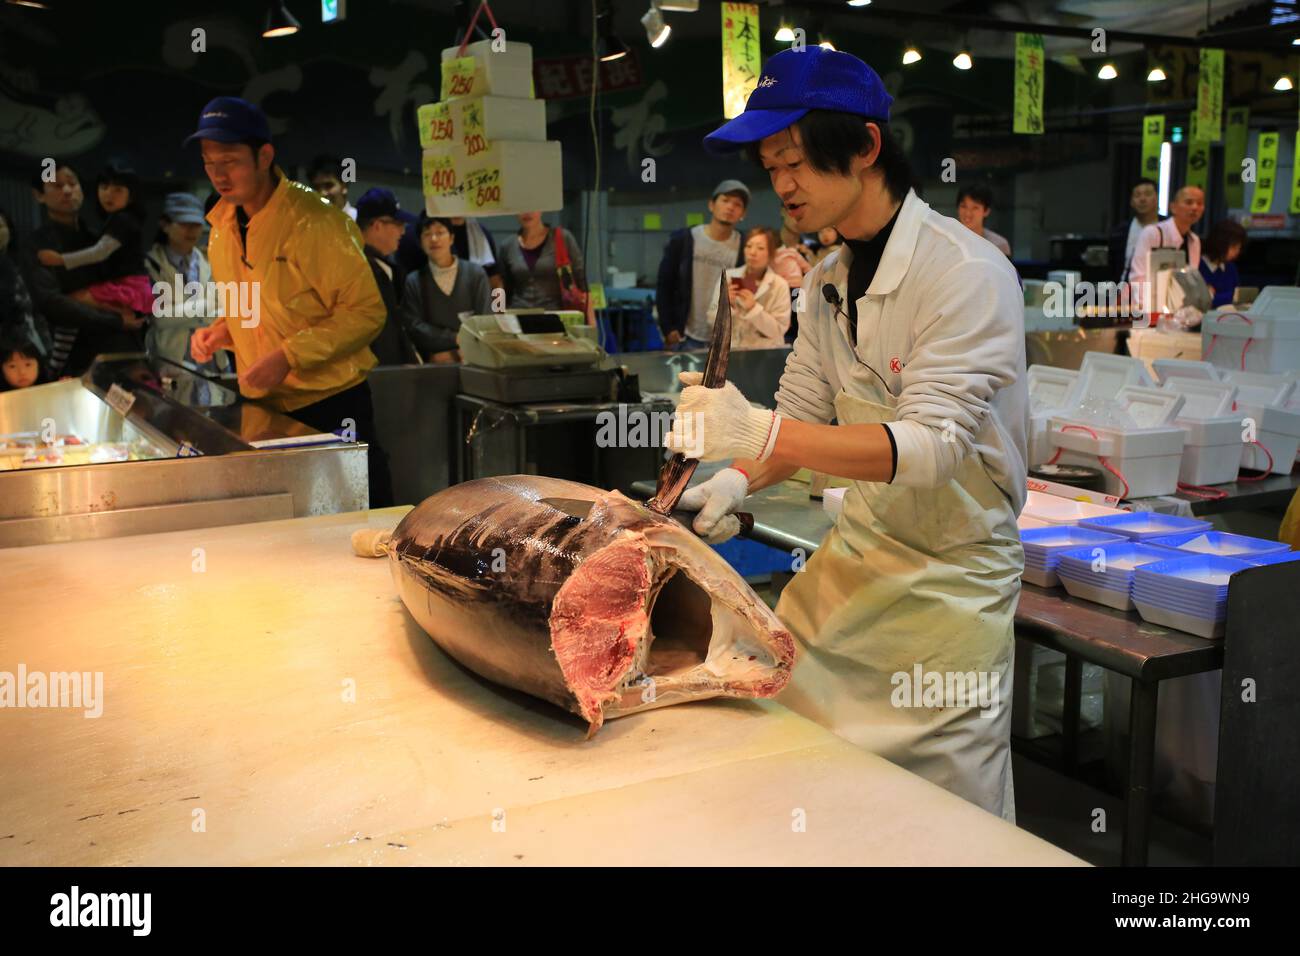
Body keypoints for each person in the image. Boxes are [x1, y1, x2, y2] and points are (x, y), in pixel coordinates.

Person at [669, 47, 1027, 821]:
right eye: (770, 164)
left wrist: (759, 432)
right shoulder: (828, 279)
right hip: (855, 564)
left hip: (949, 596)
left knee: (940, 824)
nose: (781, 185)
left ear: (866, 147)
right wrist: (734, 477)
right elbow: (798, 416)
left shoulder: (964, 273)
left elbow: (931, 450)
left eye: (793, 159)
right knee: (802, 783)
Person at [183, 97, 392, 507]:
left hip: (329, 407)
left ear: (264, 155)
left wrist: (289, 356)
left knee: (351, 523)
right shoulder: (222, 225)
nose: (218, 174)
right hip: (263, 408)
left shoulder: (315, 220)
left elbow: (367, 312)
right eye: (209, 163)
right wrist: (222, 331)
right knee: (288, 536)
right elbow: (254, 303)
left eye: (229, 160)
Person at [24, 161, 142, 377]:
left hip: (118, 347)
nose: (68, 190)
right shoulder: (37, 244)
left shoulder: (98, 237)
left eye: (72, 183)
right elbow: (50, 301)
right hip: (73, 356)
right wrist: (113, 318)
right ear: (39, 195)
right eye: (57, 186)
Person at [37, 165, 155, 322]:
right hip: (130, 284)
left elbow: (100, 252)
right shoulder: (118, 219)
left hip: (128, 285)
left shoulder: (123, 219)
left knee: (72, 300)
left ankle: (124, 315)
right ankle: (124, 314)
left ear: (131, 196)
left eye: (118, 190)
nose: (108, 195)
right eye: (104, 187)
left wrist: (60, 259)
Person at [655, 180, 749, 349]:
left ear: (743, 213)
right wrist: (667, 327)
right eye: (725, 200)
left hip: (726, 339)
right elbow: (664, 285)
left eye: (737, 204)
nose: (730, 207)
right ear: (711, 205)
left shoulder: (745, 245)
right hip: (686, 336)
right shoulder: (683, 240)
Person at [143, 192, 228, 372]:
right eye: (184, 223)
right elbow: (160, 318)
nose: (191, 230)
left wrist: (183, 312)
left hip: (214, 361)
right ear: (165, 225)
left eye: (196, 224)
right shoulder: (151, 264)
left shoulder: (211, 260)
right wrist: (207, 307)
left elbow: (226, 311)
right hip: (171, 362)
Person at [400, 214, 492, 363]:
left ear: (451, 238)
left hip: (475, 358)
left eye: (440, 232)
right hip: (434, 363)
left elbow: (488, 316)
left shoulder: (476, 274)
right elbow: (414, 326)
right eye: (427, 234)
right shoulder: (414, 281)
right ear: (421, 242)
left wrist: (463, 349)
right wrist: (455, 339)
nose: (434, 239)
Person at [355, 188, 420, 366]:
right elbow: (383, 336)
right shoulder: (362, 269)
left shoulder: (377, 265)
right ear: (377, 225)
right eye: (398, 224)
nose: (403, 232)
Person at [707, 226, 791, 349]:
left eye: (760, 248)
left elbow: (778, 330)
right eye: (748, 246)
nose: (752, 252)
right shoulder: (728, 277)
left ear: (771, 253)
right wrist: (726, 305)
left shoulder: (779, 285)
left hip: (766, 354)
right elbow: (711, 322)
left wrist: (753, 309)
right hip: (731, 351)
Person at [498, 211, 592, 320]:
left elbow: (583, 284)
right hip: (518, 320)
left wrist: (592, 323)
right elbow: (500, 287)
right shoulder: (507, 246)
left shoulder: (563, 238)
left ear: (542, 209)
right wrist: (498, 317)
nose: (527, 212)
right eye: (522, 207)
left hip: (557, 319)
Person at [1127, 184, 1204, 311]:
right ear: (1173, 207)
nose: (1195, 207)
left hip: (1179, 312)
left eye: (1200, 203)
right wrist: (1146, 311)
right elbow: (1138, 277)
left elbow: (1190, 281)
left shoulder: (1194, 241)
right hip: (1148, 309)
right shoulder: (1153, 233)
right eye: (1189, 202)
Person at [0, 207, 50, 358]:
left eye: (0, 226)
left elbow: (36, 313)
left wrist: (47, 350)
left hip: (32, 349)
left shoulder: (22, 264)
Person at [1108, 177, 1159, 283]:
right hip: (1126, 291)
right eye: (1137, 195)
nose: (1142, 199)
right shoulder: (1120, 232)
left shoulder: (1168, 228)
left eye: (1148, 194)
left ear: (1156, 198)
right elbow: (1113, 268)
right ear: (1131, 202)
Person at [1198, 219, 1246, 309]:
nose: (1237, 252)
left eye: (1239, 248)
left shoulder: (1230, 268)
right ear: (1220, 243)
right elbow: (1202, 302)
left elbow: (1237, 297)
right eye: (1234, 247)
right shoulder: (1198, 266)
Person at [956, 183, 1011, 257]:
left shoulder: (999, 244)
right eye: (963, 206)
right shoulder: (946, 241)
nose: (968, 213)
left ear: (986, 211)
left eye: (975, 208)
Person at [449, 216, 503, 291]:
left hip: (477, 296)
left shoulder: (482, 233)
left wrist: (500, 303)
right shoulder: (436, 236)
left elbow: (495, 281)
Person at [771, 213, 813, 290]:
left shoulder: (796, 251)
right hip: (781, 287)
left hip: (798, 287)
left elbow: (807, 268)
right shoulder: (770, 245)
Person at [309, 155, 357, 220]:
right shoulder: (310, 223)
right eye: (316, 187)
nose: (322, 193)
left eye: (328, 185)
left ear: (344, 186)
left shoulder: (359, 220)